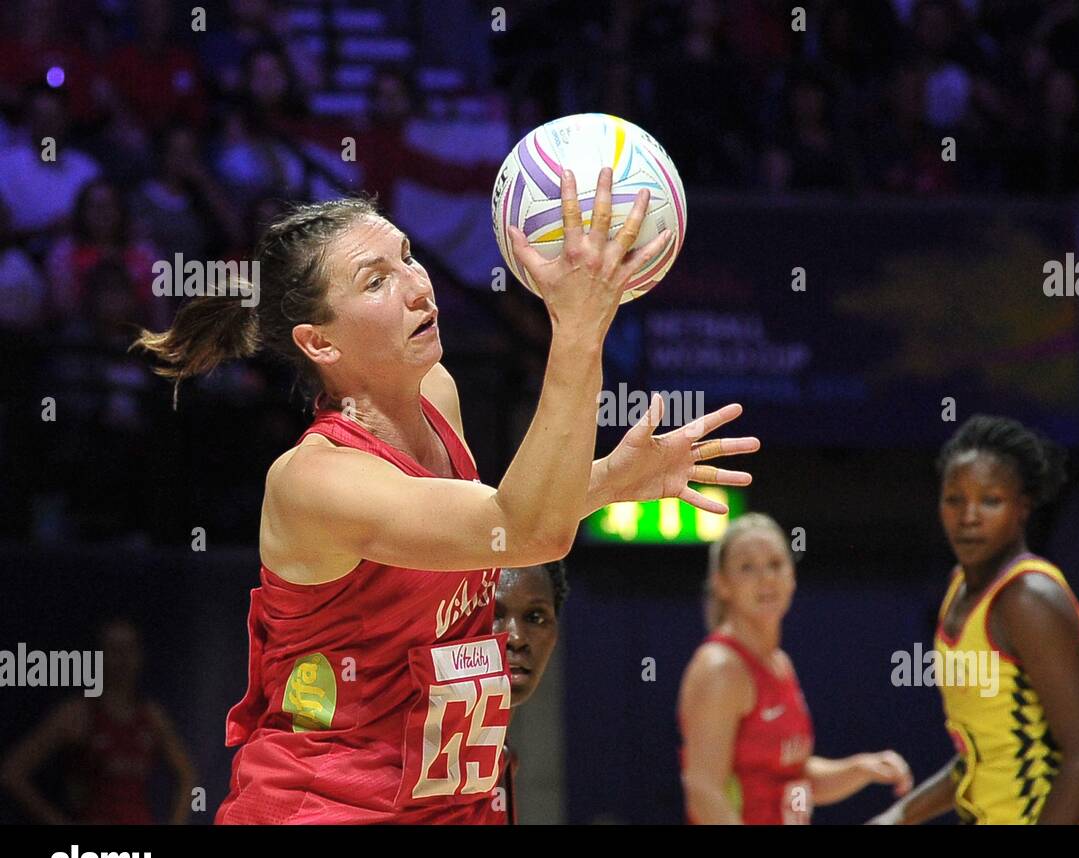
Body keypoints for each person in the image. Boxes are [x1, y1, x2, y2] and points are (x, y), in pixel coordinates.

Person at [133, 168, 757, 824]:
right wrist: (578, 329)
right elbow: (527, 530)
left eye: (407, 256)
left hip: (450, 806)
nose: (416, 285)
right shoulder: (316, 480)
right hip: (324, 810)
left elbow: (488, 528)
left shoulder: (437, 393)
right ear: (319, 342)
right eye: (376, 281)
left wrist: (608, 480)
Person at [872, 415, 1079, 825]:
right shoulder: (957, 588)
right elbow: (987, 755)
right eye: (954, 499)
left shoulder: (1028, 599)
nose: (968, 516)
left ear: (1022, 507)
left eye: (990, 500)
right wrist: (899, 815)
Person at [678, 512, 913, 824]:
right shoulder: (720, 668)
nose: (766, 578)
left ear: (792, 577)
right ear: (722, 585)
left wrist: (860, 768)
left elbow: (791, 775)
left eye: (776, 564)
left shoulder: (779, 664)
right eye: (747, 567)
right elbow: (704, 792)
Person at [0, 619, 196, 824]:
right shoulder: (78, 712)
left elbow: (187, 775)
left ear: (140, 655)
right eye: (113, 649)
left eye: (129, 648)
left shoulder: (152, 716)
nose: (122, 659)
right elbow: (12, 772)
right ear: (98, 656)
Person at [493, 560, 568, 824]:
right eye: (493, 615)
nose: (515, 638)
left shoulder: (502, 758)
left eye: (535, 617)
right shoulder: (420, 755)